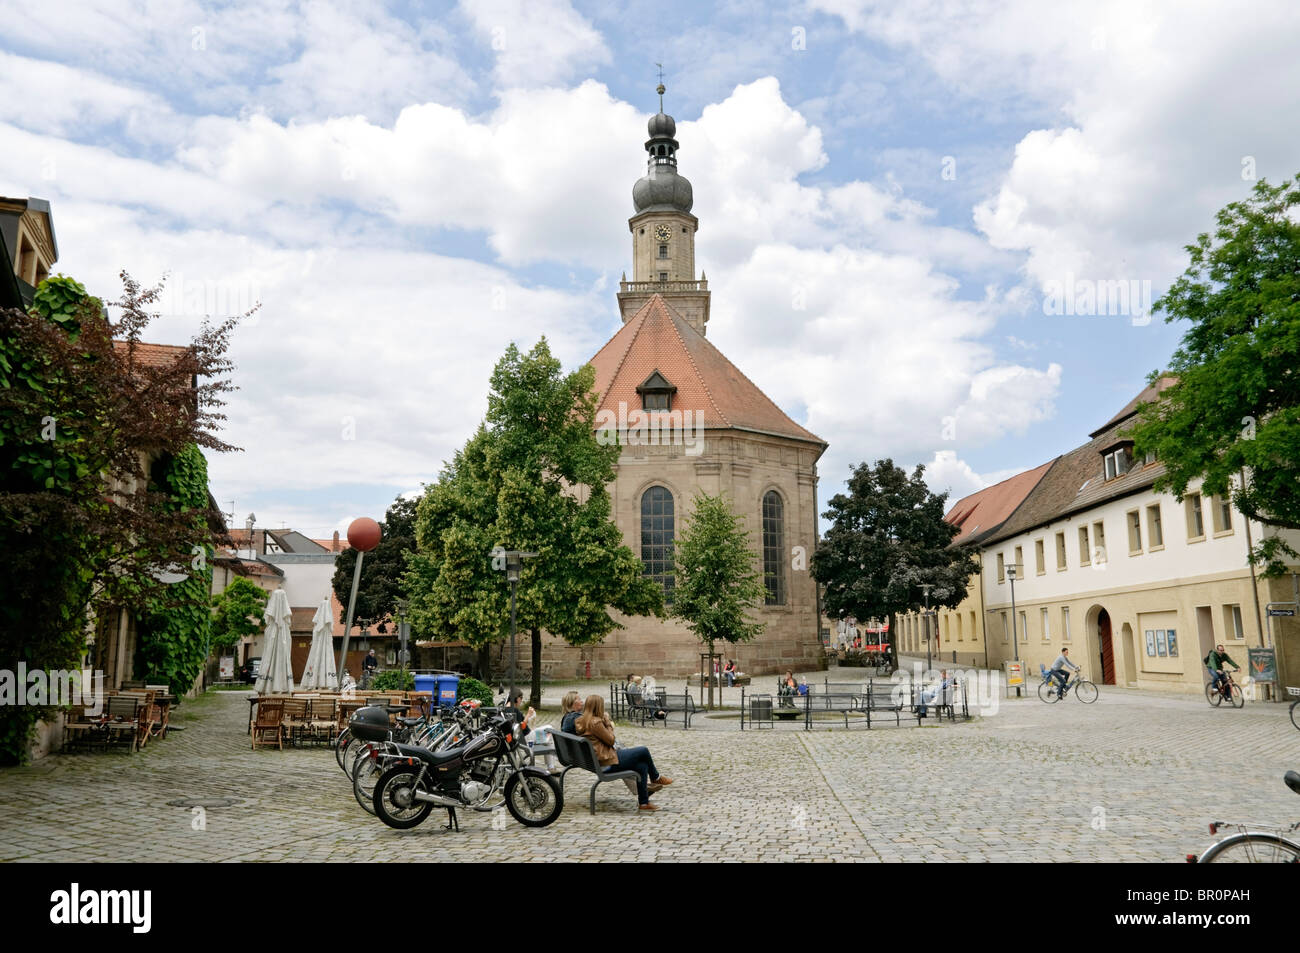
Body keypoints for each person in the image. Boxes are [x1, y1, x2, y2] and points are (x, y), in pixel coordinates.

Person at [575, 695, 673, 812]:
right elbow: (611, 740)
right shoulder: (595, 723)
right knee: (643, 750)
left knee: (642, 765)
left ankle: (644, 803)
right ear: (598, 707)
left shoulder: (581, 720)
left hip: (597, 760)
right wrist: (608, 723)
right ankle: (656, 777)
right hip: (606, 761)